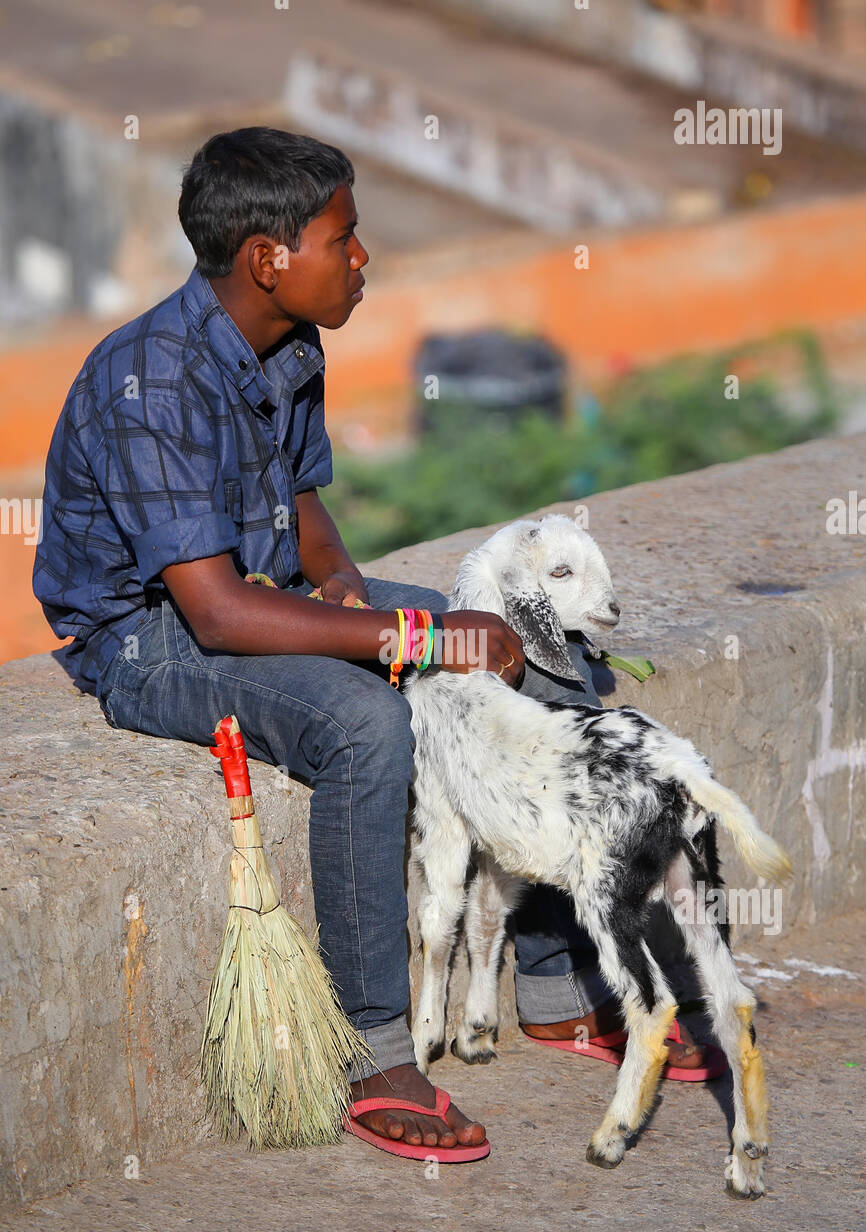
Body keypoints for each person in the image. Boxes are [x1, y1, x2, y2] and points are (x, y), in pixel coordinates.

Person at [33, 127, 715, 1163]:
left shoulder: (287, 339)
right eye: (343, 239)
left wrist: (351, 594)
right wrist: (405, 638)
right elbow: (214, 615)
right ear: (267, 257)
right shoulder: (150, 384)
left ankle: (545, 976)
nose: (362, 258)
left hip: (249, 588)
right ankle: (375, 1052)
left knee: (529, 653)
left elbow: (298, 507)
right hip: (144, 635)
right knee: (362, 722)